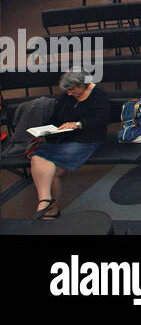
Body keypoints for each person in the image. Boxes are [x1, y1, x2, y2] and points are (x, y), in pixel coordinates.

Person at [29, 68, 111, 220]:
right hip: (63, 138)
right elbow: (56, 116)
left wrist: (78, 124)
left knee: (41, 160)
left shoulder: (98, 95)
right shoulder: (68, 96)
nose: (69, 93)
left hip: (86, 139)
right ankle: (49, 207)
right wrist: (47, 129)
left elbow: (99, 121)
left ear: (82, 85)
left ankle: (46, 203)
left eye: (72, 90)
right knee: (51, 171)